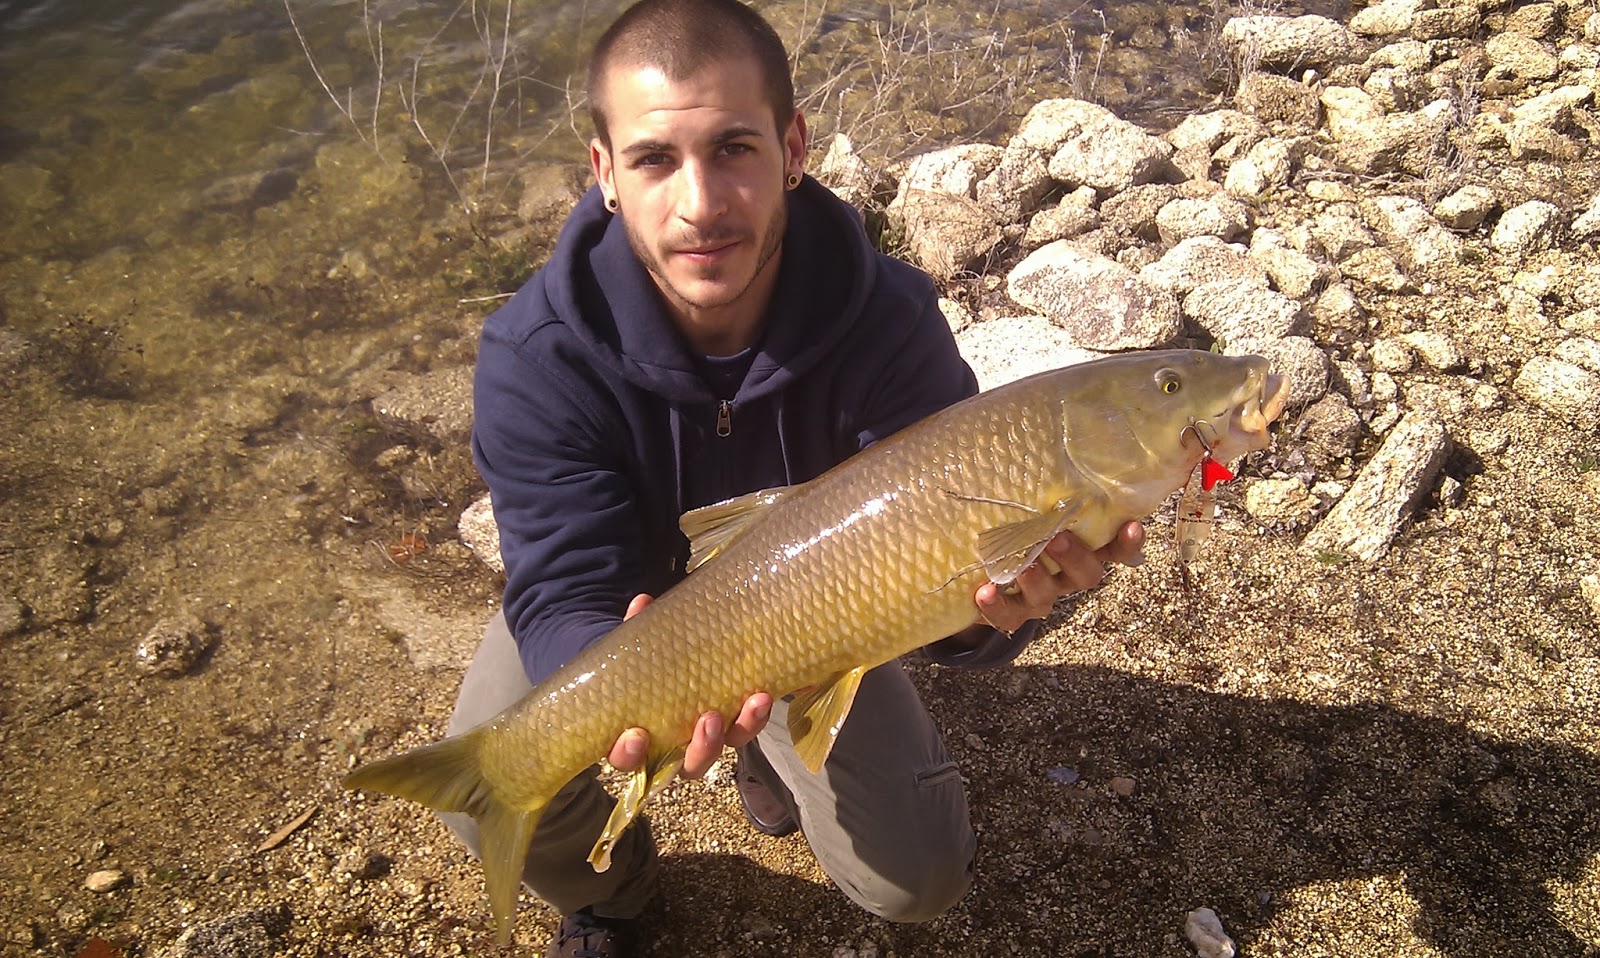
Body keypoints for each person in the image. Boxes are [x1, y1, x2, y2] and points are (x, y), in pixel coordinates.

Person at [449, 0, 1145, 954]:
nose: (700, 204)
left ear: (793, 148)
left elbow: (953, 587)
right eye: (656, 160)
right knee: (492, 769)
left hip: (822, 607)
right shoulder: (535, 354)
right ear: (605, 173)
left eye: (733, 148)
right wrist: (612, 664)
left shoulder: (889, 318)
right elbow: (563, 583)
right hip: (638, 610)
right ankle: (612, 895)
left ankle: (774, 751)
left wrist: (1005, 611)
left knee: (917, 878)